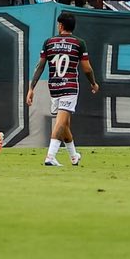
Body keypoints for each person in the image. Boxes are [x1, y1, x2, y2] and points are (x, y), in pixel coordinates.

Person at [25, 12, 97, 168]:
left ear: (61, 25)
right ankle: (50, 156)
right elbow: (87, 68)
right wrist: (93, 83)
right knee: (60, 122)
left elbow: (40, 66)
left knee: (64, 124)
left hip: (54, 86)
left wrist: (31, 88)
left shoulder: (49, 42)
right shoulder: (79, 43)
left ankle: (73, 156)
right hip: (69, 86)